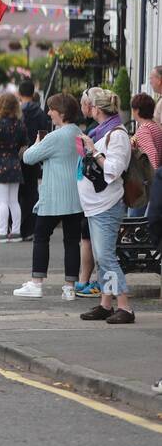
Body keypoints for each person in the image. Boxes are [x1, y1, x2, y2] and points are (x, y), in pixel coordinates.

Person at [12, 93, 85, 300]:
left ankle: (36, 284)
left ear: (61, 112)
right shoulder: (78, 134)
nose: (48, 113)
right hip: (74, 197)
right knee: (72, 242)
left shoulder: (55, 136)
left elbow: (28, 157)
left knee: (41, 237)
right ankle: (70, 287)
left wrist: (36, 143)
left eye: (51, 109)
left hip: (53, 197)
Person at [76, 88, 136, 324]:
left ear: (97, 109)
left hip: (107, 205)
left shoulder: (118, 134)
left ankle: (125, 306)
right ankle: (106, 304)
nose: (87, 108)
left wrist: (93, 149)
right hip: (95, 205)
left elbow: (113, 168)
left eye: (89, 105)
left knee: (107, 256)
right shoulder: (102, 130)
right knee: (103, 257)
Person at [0, 92, 26, 243]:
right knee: (13, 201)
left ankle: (3, 233)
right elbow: (24, 144)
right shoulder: (20, 124)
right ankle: (16, 232)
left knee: (2, 201)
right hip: (15, 164)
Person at [17, 79, 51, 242]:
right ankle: (30, 227)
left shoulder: (17, 112)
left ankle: (17, 226)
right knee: (32, 191)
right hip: (35, 155)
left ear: (19, 93)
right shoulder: (40, 113)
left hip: (18, 156)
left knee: (16, 194)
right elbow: (44, 134)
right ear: (33, 93)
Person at [129, 93, 162, 218]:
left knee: (135, 224)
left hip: (144, 185)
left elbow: (151, 156)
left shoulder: (144, 130)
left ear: (136, 110)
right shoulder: (155, 126)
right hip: (151, 183)